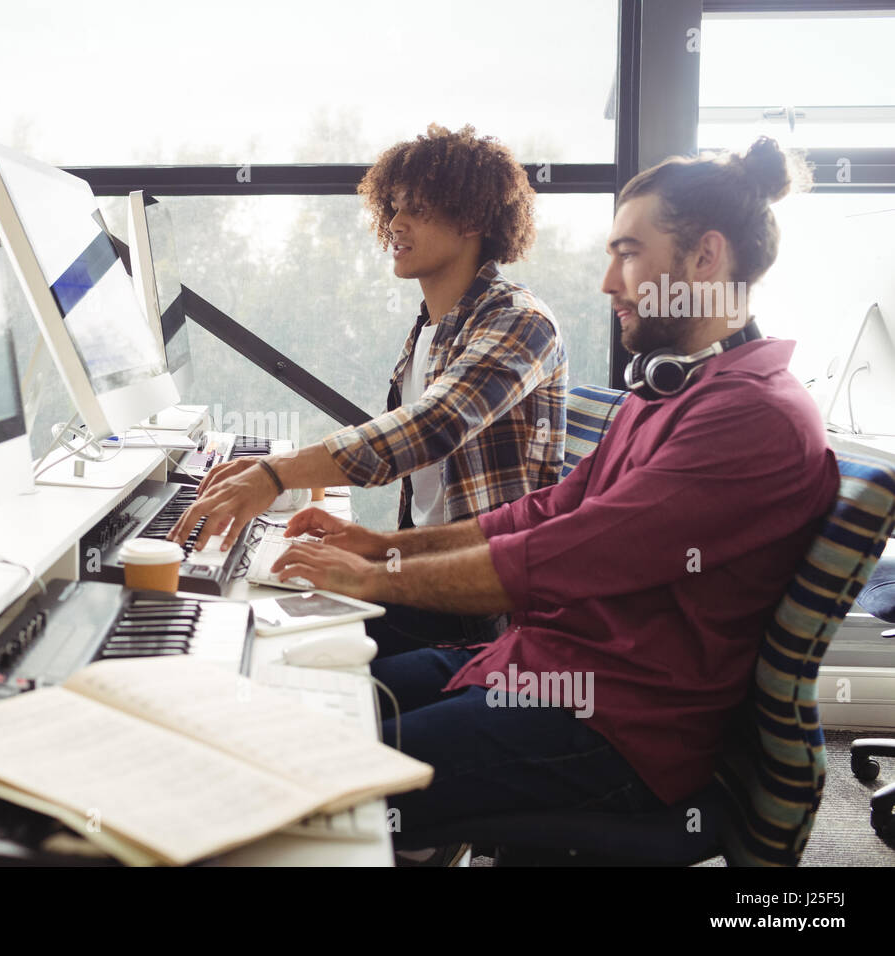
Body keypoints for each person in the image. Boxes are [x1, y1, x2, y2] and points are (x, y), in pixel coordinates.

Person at [269, 137, 838, 839]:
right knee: (305, 712)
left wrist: (377, 577)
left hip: (614, 727)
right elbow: (546, 510)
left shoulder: (753, 418)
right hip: (542, 667)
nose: (608, 281)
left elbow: (567, 553)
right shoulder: (672, 392)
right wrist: (383, 547)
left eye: (627, 253)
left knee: (306, 778)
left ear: (705, 257)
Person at [171, 123, 567, 649]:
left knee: (272, 647)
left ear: (471, 217)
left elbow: (434, 427)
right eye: (394, 207)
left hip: (479, 613)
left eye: (417, 209)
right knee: (253, 613)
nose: (395, 223)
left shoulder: (520, 320)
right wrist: (379, 547)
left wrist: (275, 474)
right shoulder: (432, 325)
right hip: (428, 573)